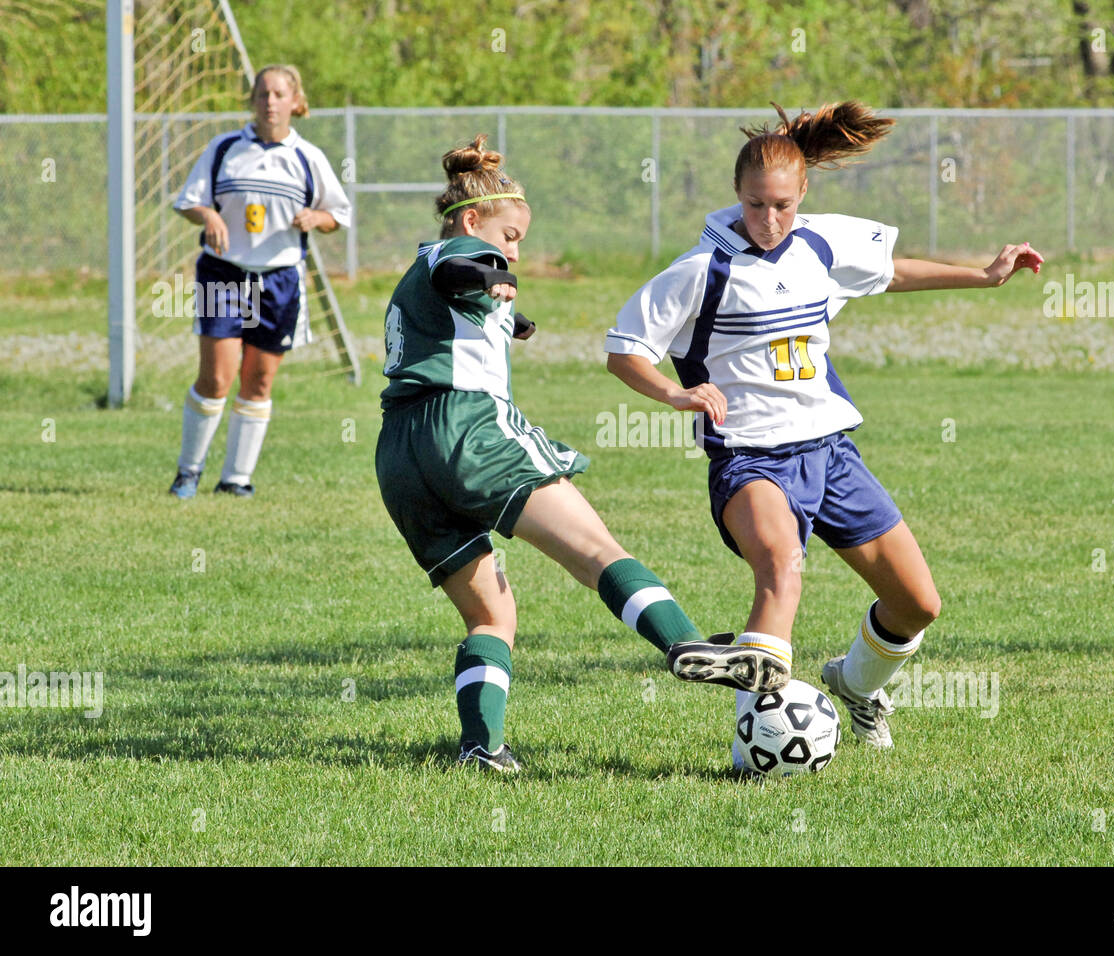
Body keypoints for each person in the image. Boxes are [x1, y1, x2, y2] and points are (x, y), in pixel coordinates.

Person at [605, 102, 1043, 757]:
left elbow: (891, 273)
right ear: (737, 196)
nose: (770, 220)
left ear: (802, 192)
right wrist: (675, 391)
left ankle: (854, 683)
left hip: (832, 453)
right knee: (782, 564)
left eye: (782, 204)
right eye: (757, 205)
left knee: (918, 605)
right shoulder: (702, 271)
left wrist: (983, 275)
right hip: (750, 459)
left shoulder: (819, 243)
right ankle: (755, 727)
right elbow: (625, 349)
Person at [374, 135, 791, 774]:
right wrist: (494, 274)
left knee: (492, 612)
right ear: (471, 219)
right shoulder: (458, 251)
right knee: (600, 553)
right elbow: (459, 270)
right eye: (509, 236)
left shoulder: (416, 278)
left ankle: (480, 749)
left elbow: (447, 302)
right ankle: (685, 646)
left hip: (401, 456)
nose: (514, 250)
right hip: (464, 430)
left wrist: (509, 318)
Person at [168, 64, 351, 498]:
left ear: (295, 103)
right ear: (252, 100)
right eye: (262, 93)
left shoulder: (308, 157)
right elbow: (188, 201)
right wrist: (209, 214)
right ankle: (187, 472)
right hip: (225, 275)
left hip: (281, 280)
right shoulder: (225, 147)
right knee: (217, 377)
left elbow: (338, 215)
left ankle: (236, 479)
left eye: (279, 94)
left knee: (259, 380)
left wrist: (317, 217)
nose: (270, 101)